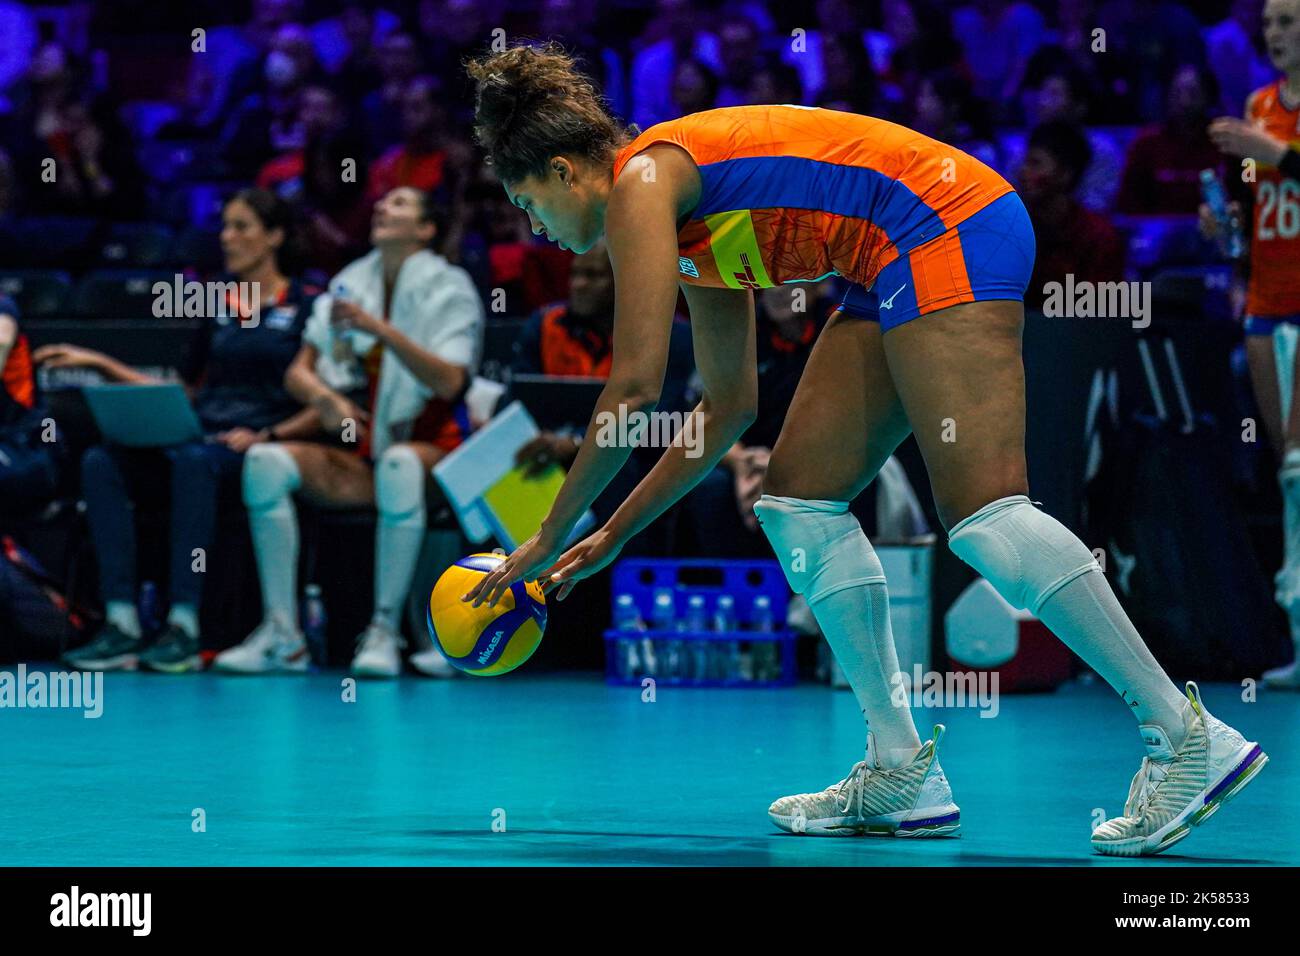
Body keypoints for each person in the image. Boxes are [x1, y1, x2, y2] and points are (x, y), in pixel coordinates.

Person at [460, 43, 1268, 857]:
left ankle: (1185, 736)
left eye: (530, 205)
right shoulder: (683, 226)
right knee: (798, 500)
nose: (537, 230)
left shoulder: (642, 181)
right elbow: (728, 406)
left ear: (566, 172)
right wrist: (613, 534)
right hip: (884, 259)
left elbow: (632, 390)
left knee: (986, 515)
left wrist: (549, 532)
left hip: (947, 221)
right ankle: (899, 769)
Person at [38, 189, 319, 671]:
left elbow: (329, 403)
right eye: (225, 226)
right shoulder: (218, 306)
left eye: (242, 227)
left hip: (256, 448)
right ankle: (122, 622)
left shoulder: (310, 307)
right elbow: (188, 396)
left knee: (193, 464)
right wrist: (102, 365)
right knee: (102, 461)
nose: (228, 238)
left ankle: (184, 624)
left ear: (275, 237)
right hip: (201, 438)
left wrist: (269, 437)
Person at [214, 187, 484, 679]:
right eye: (381, 204)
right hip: (363, 452)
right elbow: (299, 372)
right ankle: (282, 633)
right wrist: (327, 399)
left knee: (400, 464)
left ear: (426, 229)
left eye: (401, 204)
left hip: (433, 450)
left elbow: (451, 380)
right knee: (264, 464)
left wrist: (380, 331)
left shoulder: (451, 287)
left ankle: (383, 630)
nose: (382, 207)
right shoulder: (350, 281)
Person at [1206, 0, 1300, 688]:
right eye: (1270, 23)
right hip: (1266, 298)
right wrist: (1225, 227)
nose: (1276, 35)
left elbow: (1277, 165)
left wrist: (1276, 154)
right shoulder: (1258, 102)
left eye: (1289, 22)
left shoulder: (1273, 127)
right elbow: (1252, 195)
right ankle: (1296, 630)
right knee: (1289, 471)